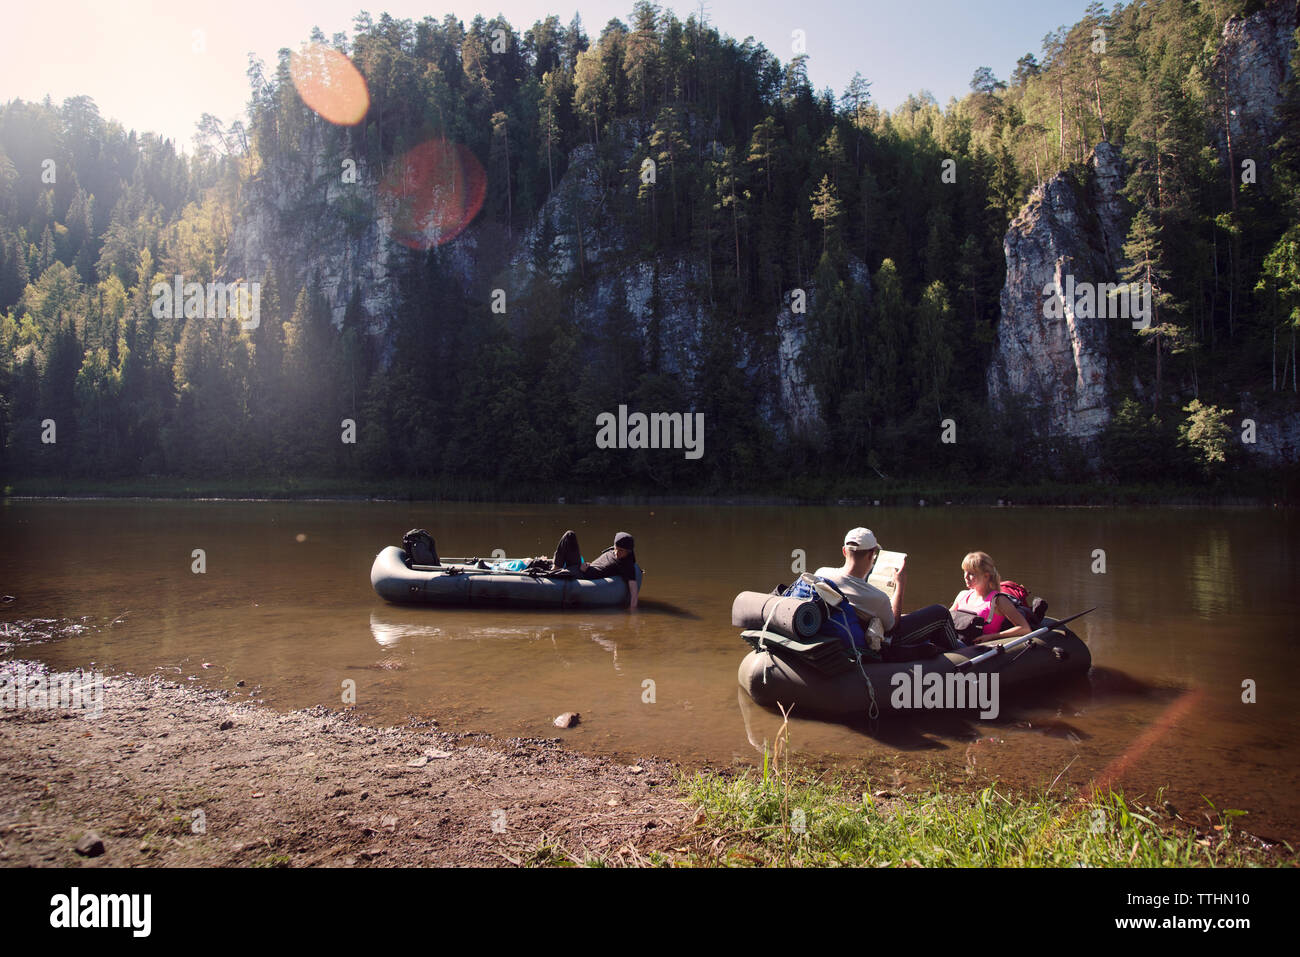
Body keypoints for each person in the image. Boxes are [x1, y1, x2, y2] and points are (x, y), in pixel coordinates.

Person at [816, 527, 960, 650]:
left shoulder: (821, 573)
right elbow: (892, 626)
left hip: (842, 630)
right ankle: (962, 653)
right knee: (941, 612)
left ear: (844, 551)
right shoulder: (876, 598)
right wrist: (900, 586)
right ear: (872, 555)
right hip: (885, 640)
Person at [949, 551, 1030, 643]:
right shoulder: (962, 595)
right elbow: (945, 621)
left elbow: (1025, 628)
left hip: (969, 647)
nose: (965, 576)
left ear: (986, 576)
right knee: (939, 612)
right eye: (965, 571)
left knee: (937, 611)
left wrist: (992, 636)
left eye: (971, 573)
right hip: (952, 640)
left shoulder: (998, 600)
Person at [552, 530, 639, 609]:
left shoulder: (627, 564)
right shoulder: (617, 549)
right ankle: (556, 567)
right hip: (584, 566)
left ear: (628, 551)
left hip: (583, 574)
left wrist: (632, 609)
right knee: (570, 535)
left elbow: (633, 587)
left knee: (555, 574)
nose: (616, 553)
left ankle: (555, 570)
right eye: (616, 548)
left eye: (621, 550)